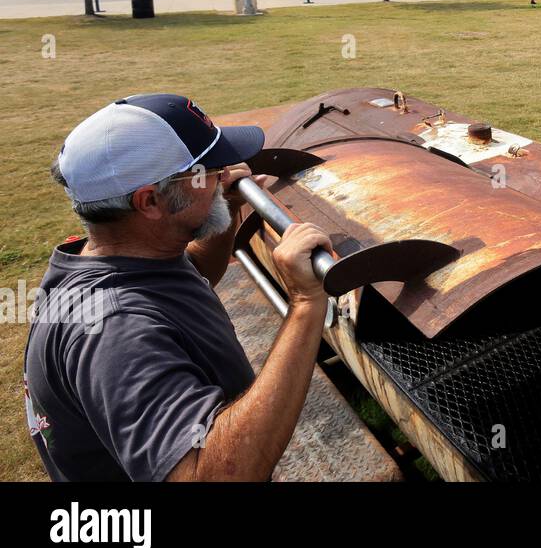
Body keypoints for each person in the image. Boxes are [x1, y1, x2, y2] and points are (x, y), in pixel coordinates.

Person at [24, 94, 332, 481]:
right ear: (150, 200)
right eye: (206, 170)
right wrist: (305, 303)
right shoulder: (117, 331)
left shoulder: (119, 258)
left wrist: (225, 208)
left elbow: (193, 275)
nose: (224, 173)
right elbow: (208, 475)